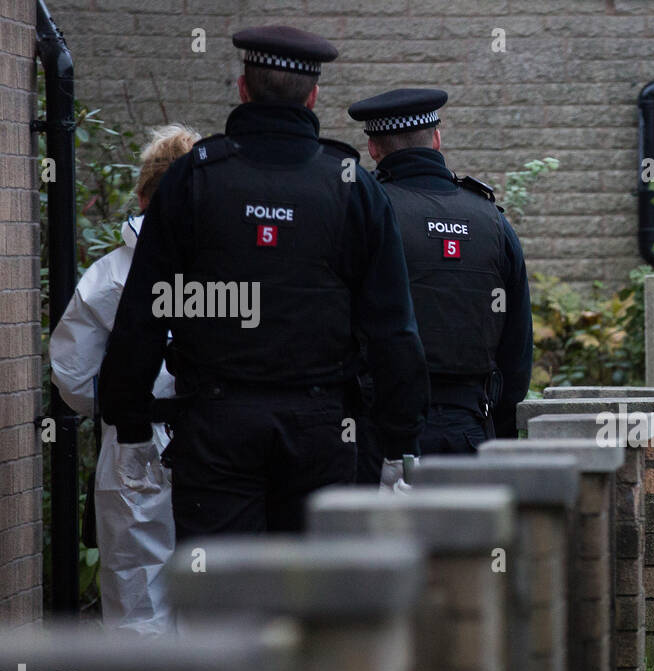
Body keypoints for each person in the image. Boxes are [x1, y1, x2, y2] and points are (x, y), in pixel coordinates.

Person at [99, 26, 429, 539]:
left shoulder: (194, 178)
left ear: (242, 88)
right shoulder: (352, 187)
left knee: (223, 601)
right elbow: (392, 327)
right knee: (315, 596)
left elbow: (146, 308)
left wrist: (131, 423)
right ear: (314, 95)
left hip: (216, 427)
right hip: (321, 428)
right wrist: (398, 437)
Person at [49, 125, 200, 635]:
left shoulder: (109, 275)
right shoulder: (228, 270)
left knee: (138, 592)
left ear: (142, 194)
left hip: (135, 440)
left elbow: (72, 376)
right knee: (213, 592)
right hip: (216, 436)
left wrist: (111, 405)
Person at [346, 87, 531, 476]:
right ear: (436, 139)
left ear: (374, 148)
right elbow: (517, 350)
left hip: (380, 435)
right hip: (471, 432)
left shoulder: (366, 212)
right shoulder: (492, 220)